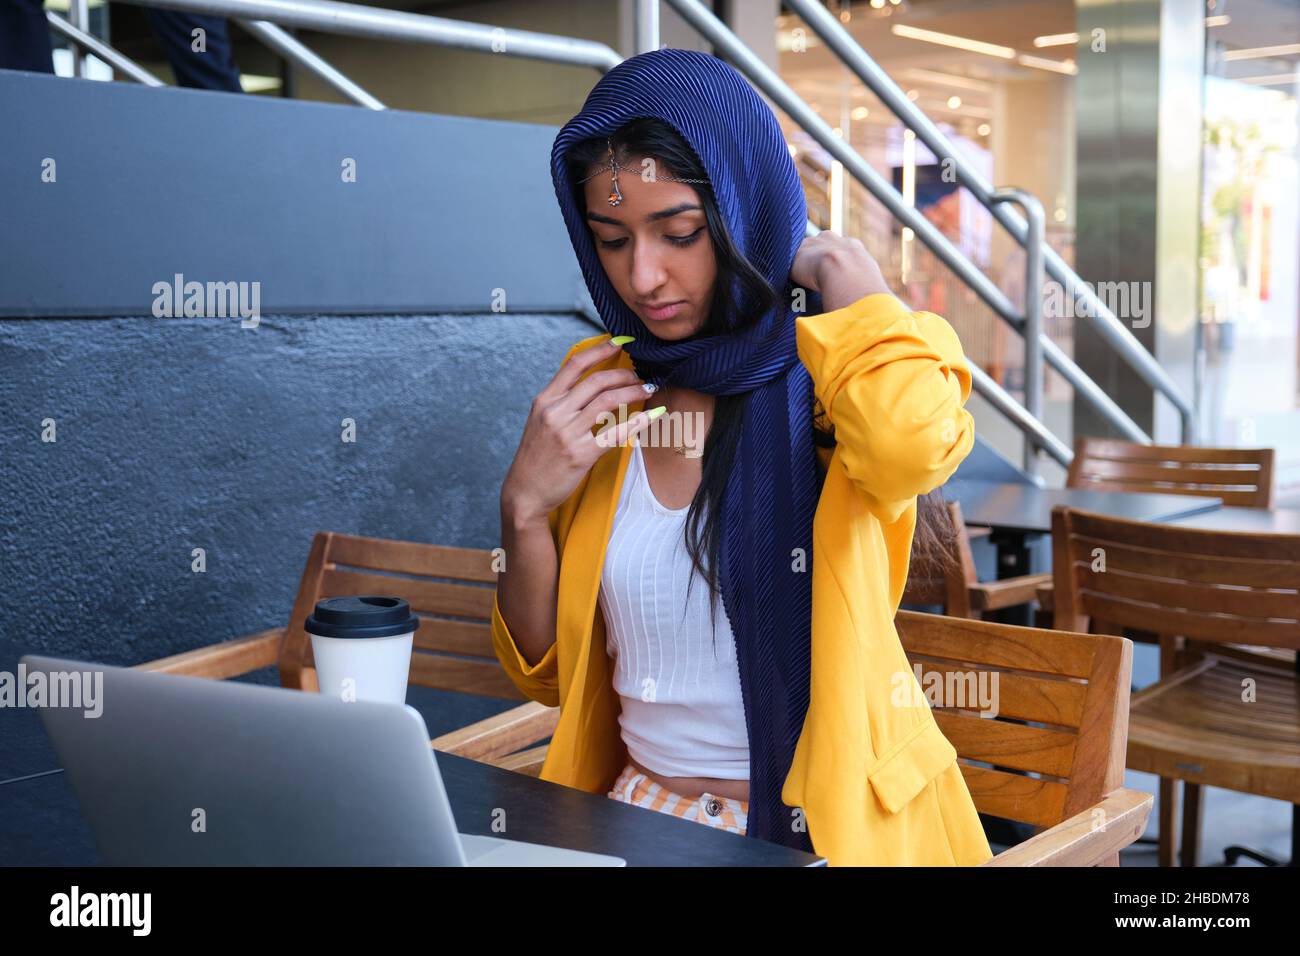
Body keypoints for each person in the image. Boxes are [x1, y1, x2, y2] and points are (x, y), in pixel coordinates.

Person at [491, 47, 992, 866]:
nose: (644, 276)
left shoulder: (829, 374)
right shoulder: (609, 390)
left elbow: (910, 448)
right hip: (638, 814)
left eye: (680, 232)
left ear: (743, 208)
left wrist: (841, 264)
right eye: (611, 240)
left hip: (827, 837)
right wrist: (524, 509)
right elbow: (545, 676)